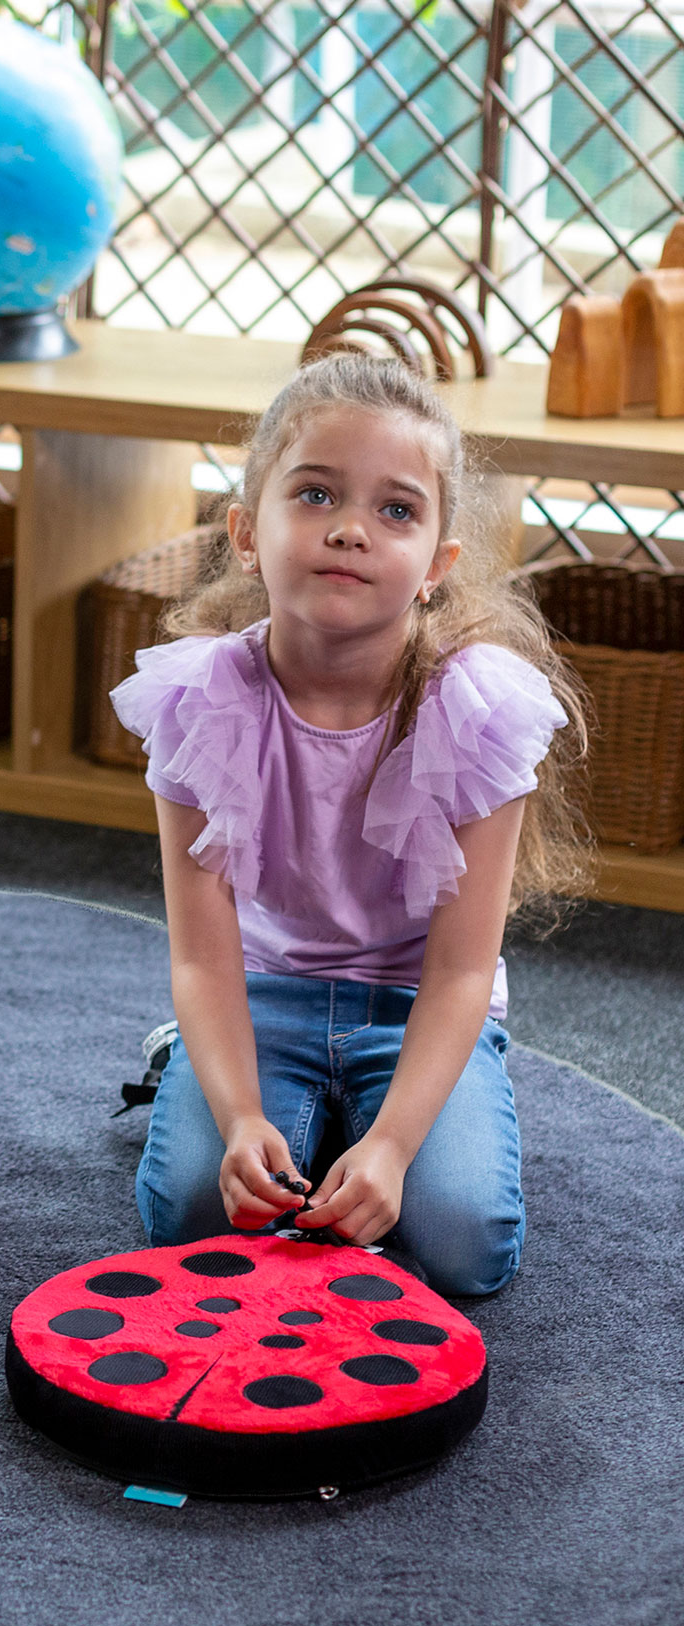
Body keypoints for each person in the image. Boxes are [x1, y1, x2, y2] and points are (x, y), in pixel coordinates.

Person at [112, 354, 590, 1296]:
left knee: (465, 1243)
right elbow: (202, 958)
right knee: (194, 1215)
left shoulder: (479, 711)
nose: (350, 530)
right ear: (247, 535)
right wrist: (240, 1119)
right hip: (262, 992)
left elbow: (461, 972)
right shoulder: (199, 700)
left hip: (417, 1004)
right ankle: (208, 1070)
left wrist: (394, 1146)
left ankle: (376, 1119)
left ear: (437, 567)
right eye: (316, 494)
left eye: (397, 510)